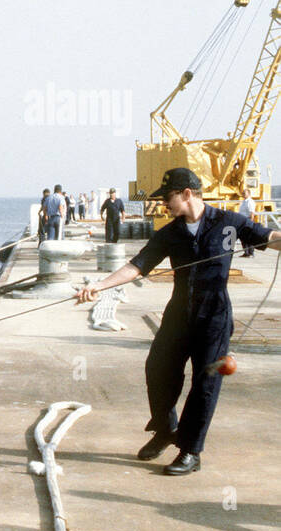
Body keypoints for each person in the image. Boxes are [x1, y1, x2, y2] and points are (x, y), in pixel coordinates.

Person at [76, 168, 281, 475]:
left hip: (214, 315)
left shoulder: (229, 222)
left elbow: (269, 237)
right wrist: (99, 285)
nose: (164, 205)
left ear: (187, 194)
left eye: (168, 198)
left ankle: (190, 450)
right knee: (157, 368)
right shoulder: (169, 233)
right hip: (178, 313)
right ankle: (166, 429)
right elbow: (138, 265)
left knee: (206, 381)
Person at [240, 191, 257, 257]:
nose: (243, 194)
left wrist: (250, 222)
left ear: (249, 194)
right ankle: (246, 252)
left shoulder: (250, 202)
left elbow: (252, 213)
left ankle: (251, 252)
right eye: (243, 193)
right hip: (243, 220)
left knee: (248, 237)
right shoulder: (244, 201)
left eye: (244, 193)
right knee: (243, 237)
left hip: (247, 220)